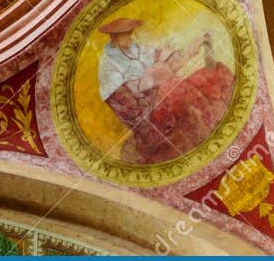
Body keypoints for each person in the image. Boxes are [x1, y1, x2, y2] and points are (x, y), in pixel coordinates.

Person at [96, 16, 234, 163]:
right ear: (115, 37)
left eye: (130, 32)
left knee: (190, 86)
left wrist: (189, 49)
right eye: (126, 34)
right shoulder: (109, 65)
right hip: (139, 109)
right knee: (176, 92)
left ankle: (204, 126)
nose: (131, 36)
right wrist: (158, 72)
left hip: (154, 93)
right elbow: (126, 97)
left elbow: (164, 58)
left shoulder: (135, 48)